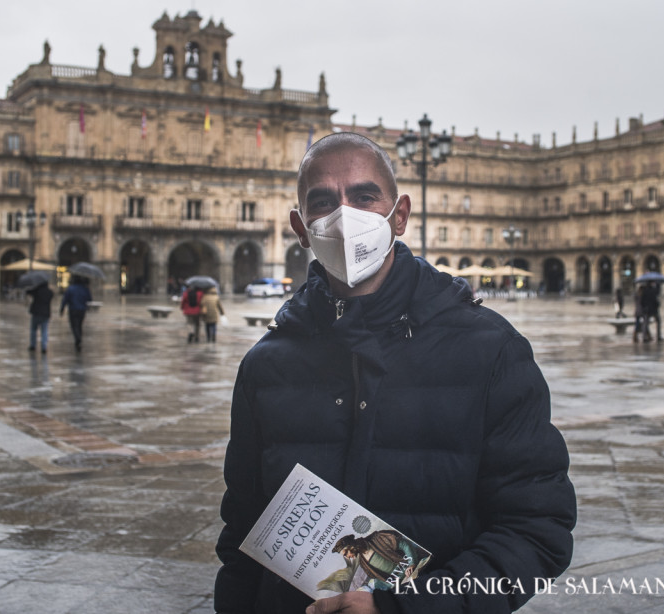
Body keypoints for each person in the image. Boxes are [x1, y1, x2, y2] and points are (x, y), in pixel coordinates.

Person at [214, 133, 575, 614]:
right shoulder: (267, 364)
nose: (344, 216)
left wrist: (403, 608)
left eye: (364, 197)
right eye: (323, 202)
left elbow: (537, 530)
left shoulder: (490, 352)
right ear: (301, 228)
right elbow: (243, 531)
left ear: (399, 216)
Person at [60, 275, 92, 352]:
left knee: (74, 325)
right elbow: (89, 299)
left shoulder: (70, 288)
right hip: (82, 310)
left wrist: (62, 309)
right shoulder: (84, 288)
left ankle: (78, 338)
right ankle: (79, 338)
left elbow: (65, 299)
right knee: (79, 325)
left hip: (73, 309)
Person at [27, 281, 54, 354]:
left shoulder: (36, 291)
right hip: (45, 314)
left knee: (33, 330)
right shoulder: (49, 292)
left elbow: (28, 292)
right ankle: (44, 347)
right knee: (44, 330)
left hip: (36, 313)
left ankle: (33, 345)